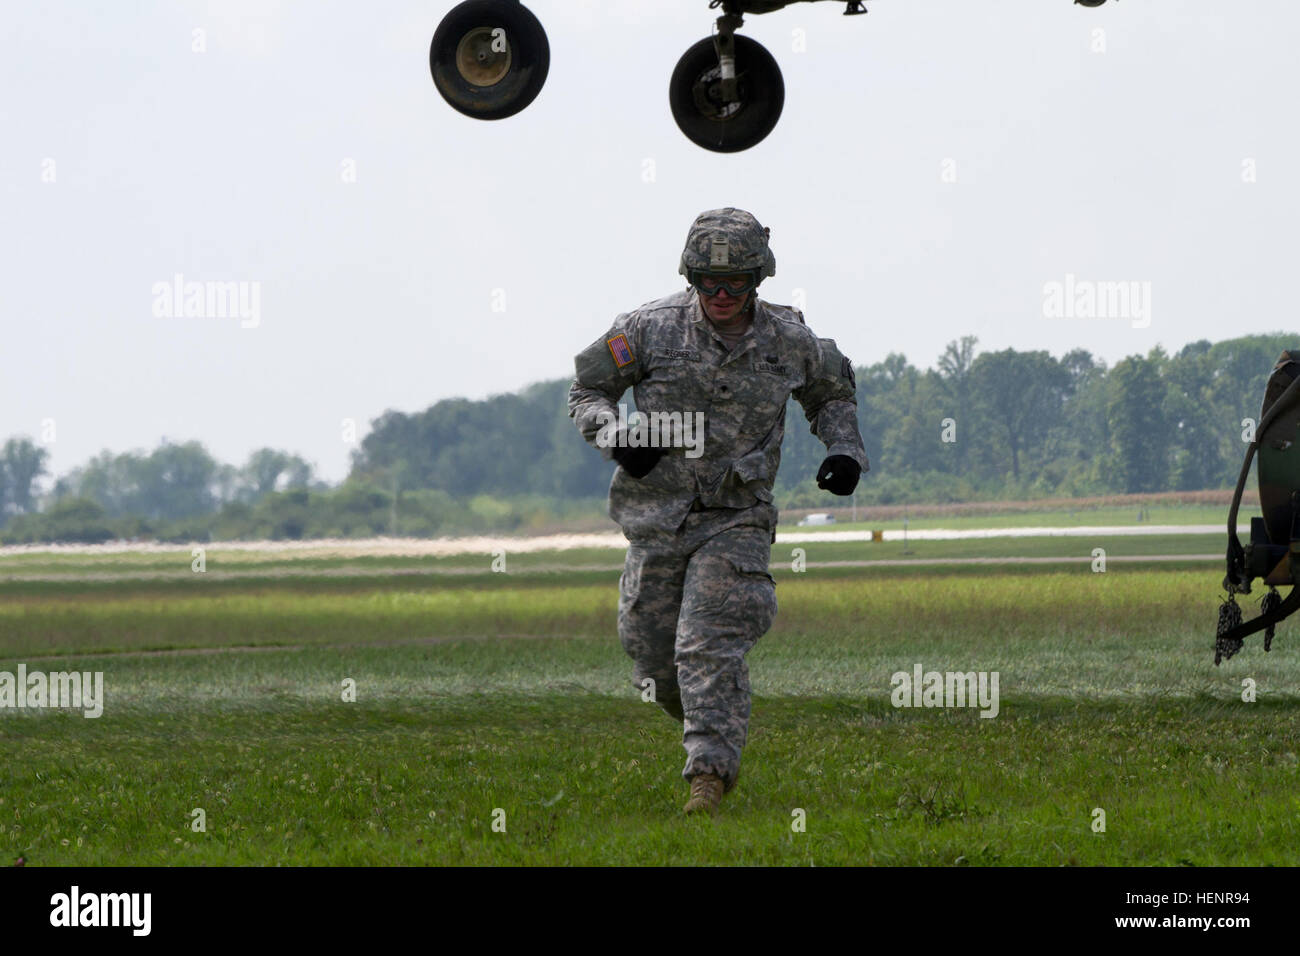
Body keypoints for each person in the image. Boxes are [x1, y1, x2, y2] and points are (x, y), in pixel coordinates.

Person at [566, 207, 868, 815]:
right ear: (690, 278)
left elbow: (832, 393)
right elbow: (587, 389)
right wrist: (614, 434)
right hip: (656, 517)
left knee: (705, 642)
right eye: (708, 282)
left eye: (735, 283)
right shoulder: (647, 330)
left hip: (736, 518)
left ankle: (708, 776)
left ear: (760, 280)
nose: (721, 294)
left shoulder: (791, 340)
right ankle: (716, 711)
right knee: (653, 660)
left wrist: (843, 451)